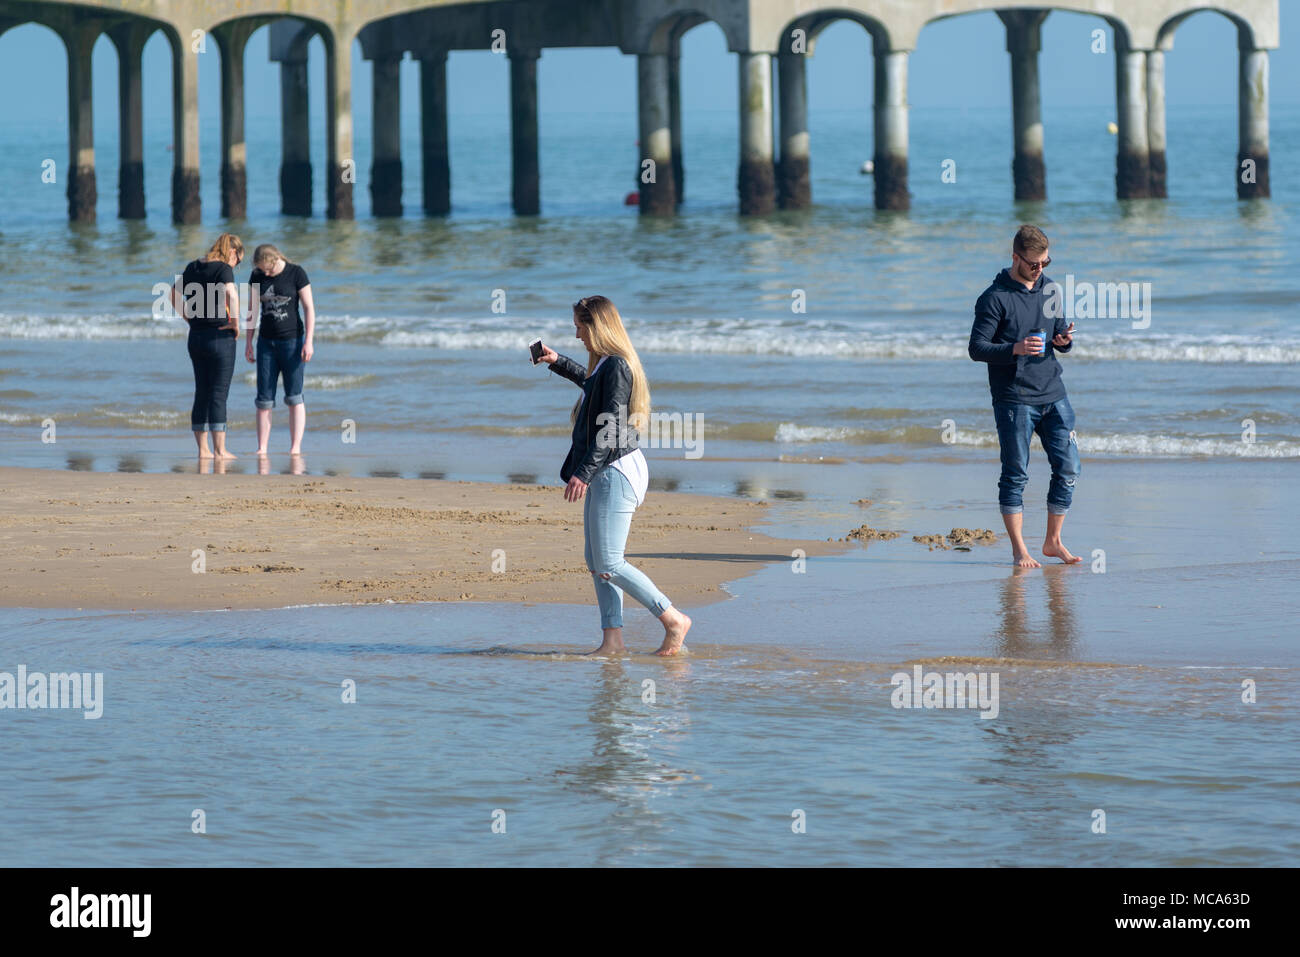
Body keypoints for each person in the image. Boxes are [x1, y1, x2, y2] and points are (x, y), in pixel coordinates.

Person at [535, 295, 693, 656]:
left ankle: (672, 619)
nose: (577, 335)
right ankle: (612, 641)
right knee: (598, 563)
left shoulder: (618, 366)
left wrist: (583, 474)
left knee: (609, 562)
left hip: (614, 470)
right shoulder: (607, 364)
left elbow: (612, 427)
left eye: (579, 327)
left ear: (597, 326)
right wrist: (556, 361)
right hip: (604, 468)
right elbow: (591, 386)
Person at [969, 224, 1081, 568]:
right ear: (1016, 258)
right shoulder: (994, 298)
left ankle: (1053, 542)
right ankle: (1020, 550)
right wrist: (1015, 348)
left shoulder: (1051, 291)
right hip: (1014, 399)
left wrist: (1064, 340)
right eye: (1034, 264)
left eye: (1046, 263)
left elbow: (1059, 332)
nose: (1040, 270)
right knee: (1016, 473)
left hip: (1054, 392)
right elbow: (977, 348)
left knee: (1069, 468)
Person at [171, 233, 243, 459]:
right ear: (232, 252)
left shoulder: (193, 266)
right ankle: (220, 450)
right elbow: (231, 294)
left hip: (196, 337)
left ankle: (203, 451)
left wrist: (189, 319)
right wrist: (235, 324)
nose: (236, 265)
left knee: (201, 391)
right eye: (238, 261)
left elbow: (172, 294)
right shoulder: (223, 268)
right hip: (220, 337)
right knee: (219, 394)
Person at [244, 244, 315, 456]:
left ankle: (295, 447)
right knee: (263, 399)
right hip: (266, 343)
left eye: (268, 269)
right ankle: (262, 448)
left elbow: (309, 308)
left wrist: (309, 341)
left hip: (292, 342)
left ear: (275, 259)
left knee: (294, 396)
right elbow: (252, 311)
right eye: (262, 270)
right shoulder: (256, 276)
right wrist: (248, 342)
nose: (265, 273)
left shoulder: (296, 273)